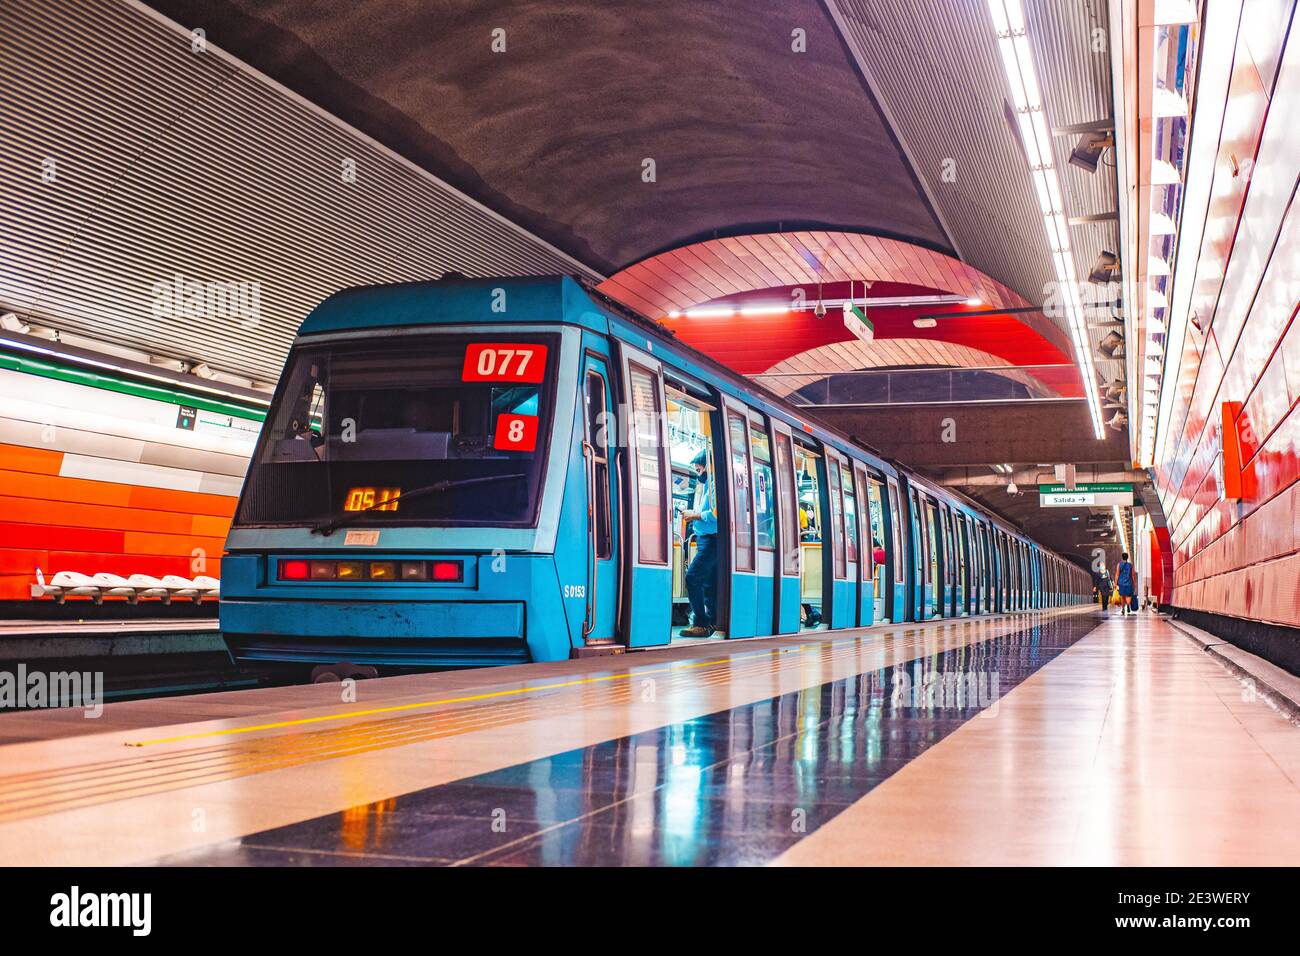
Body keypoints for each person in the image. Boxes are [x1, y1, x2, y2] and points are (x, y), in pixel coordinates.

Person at [680, 449, 719, 637]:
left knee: (692, 578)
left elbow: (715, 516)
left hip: (712, 540)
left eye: (699, 470)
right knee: (709, 584)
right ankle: (711, 621)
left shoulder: (715, 485)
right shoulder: (709, 486)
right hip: (707, 540)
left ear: (707, 467)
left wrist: (694, 514)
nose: (698, 474)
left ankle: (701, 622)